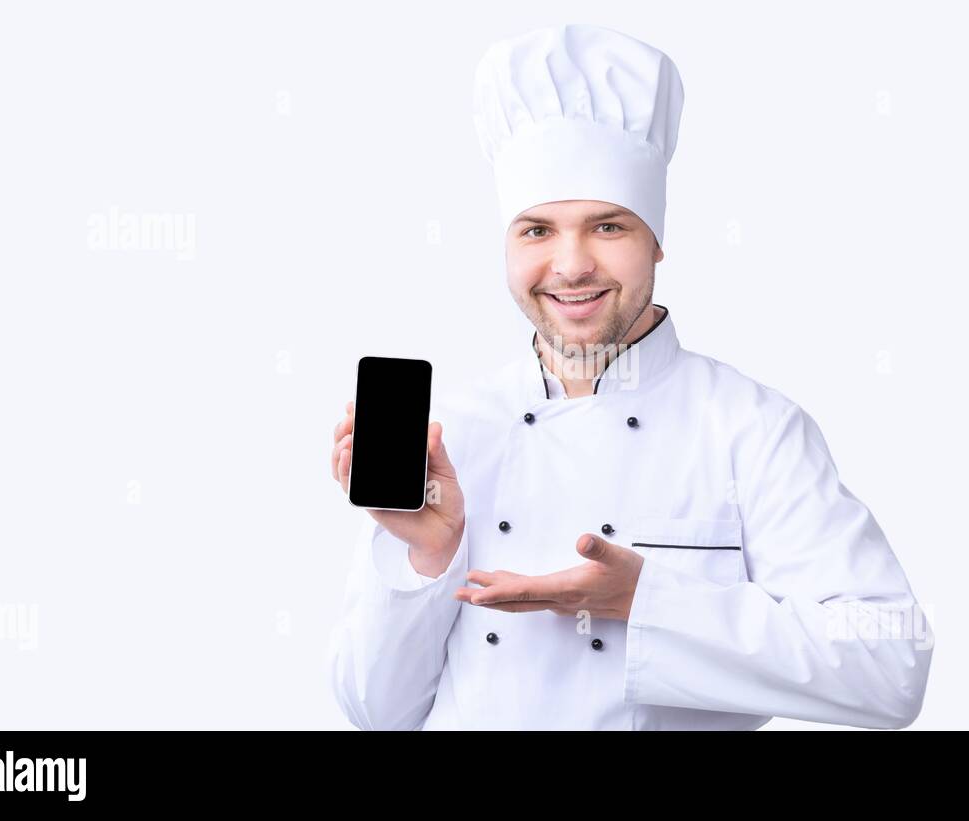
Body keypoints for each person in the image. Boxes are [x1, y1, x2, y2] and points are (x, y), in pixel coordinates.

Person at [326, 22, 934, 730]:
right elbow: (375, 713)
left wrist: (648, 601)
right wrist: (428, 557)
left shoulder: (751, 427)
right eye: (537, 230)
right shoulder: (451, 433)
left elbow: (892, 668)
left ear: (657, 239)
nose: (573, 264)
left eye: (608, 226)